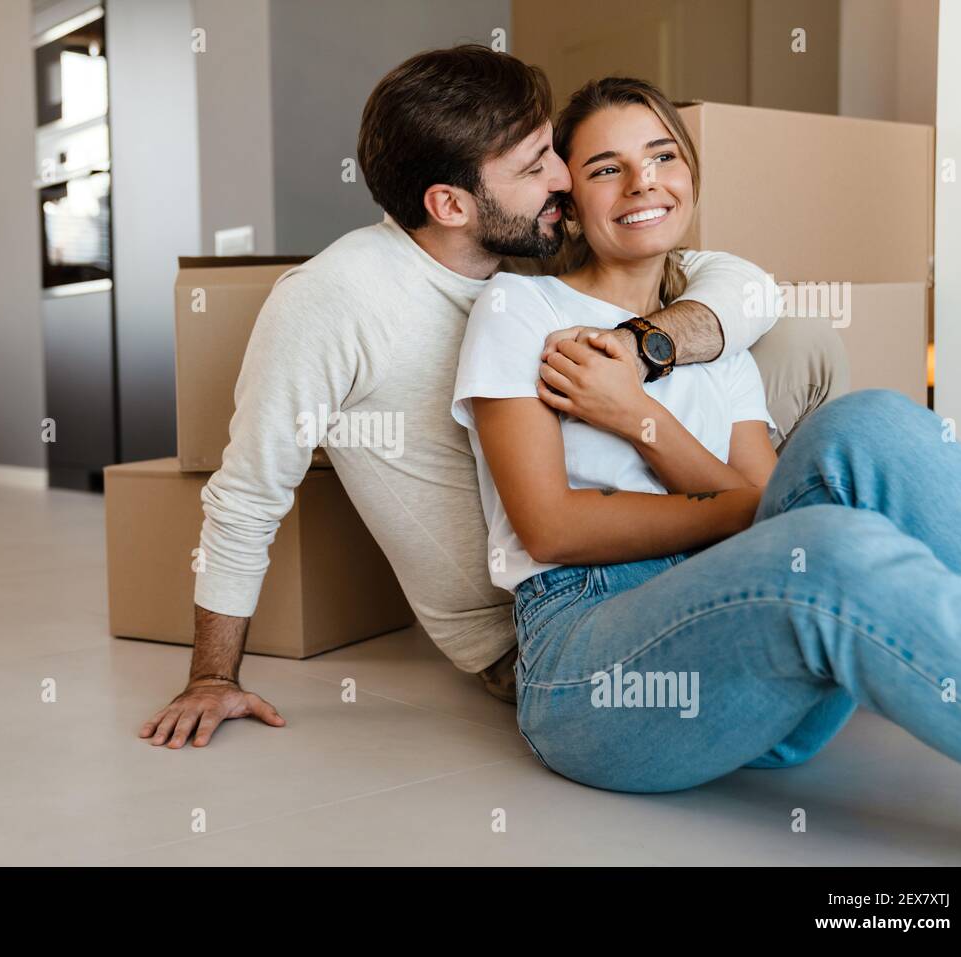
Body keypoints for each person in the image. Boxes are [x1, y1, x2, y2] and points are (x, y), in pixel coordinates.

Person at [140, 45, 846, 750]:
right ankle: (767, 533)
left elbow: (743, 282)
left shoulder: (534, 242)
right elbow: (248, 492)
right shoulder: (335, 300)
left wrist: (641, 345)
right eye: (535, 165)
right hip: (542, 611)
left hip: (645, 521)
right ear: (450, 204)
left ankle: (772, 541)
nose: (563, 178)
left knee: (802, 341)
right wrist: (211, 675)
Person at [452, 76, 961, 792]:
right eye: (607, 169)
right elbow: (550, 527)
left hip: (748, 650)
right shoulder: (520, 306)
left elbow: (757, 503)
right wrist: (743, 503)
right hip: (595, 668)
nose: (643, 183)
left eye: (662, 157)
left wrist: (634, 416)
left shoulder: (713, 338)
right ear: (574, 208)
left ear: (689, 176)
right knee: (831, 547)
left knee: (870, 420)